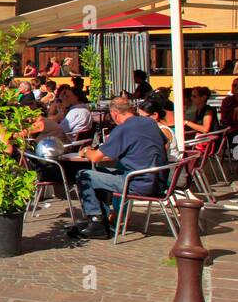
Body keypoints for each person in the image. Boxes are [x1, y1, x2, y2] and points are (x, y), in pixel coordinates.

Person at [68, 96, 168, 239]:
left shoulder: (123, 129)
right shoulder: (150, 123)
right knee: (98, 172)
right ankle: (103, 219)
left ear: (114, 113)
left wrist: (85, 151)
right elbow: (165, 144)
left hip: (137, 182)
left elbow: (96, 157)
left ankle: (96, 222)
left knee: (84, 175)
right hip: (159, 180)